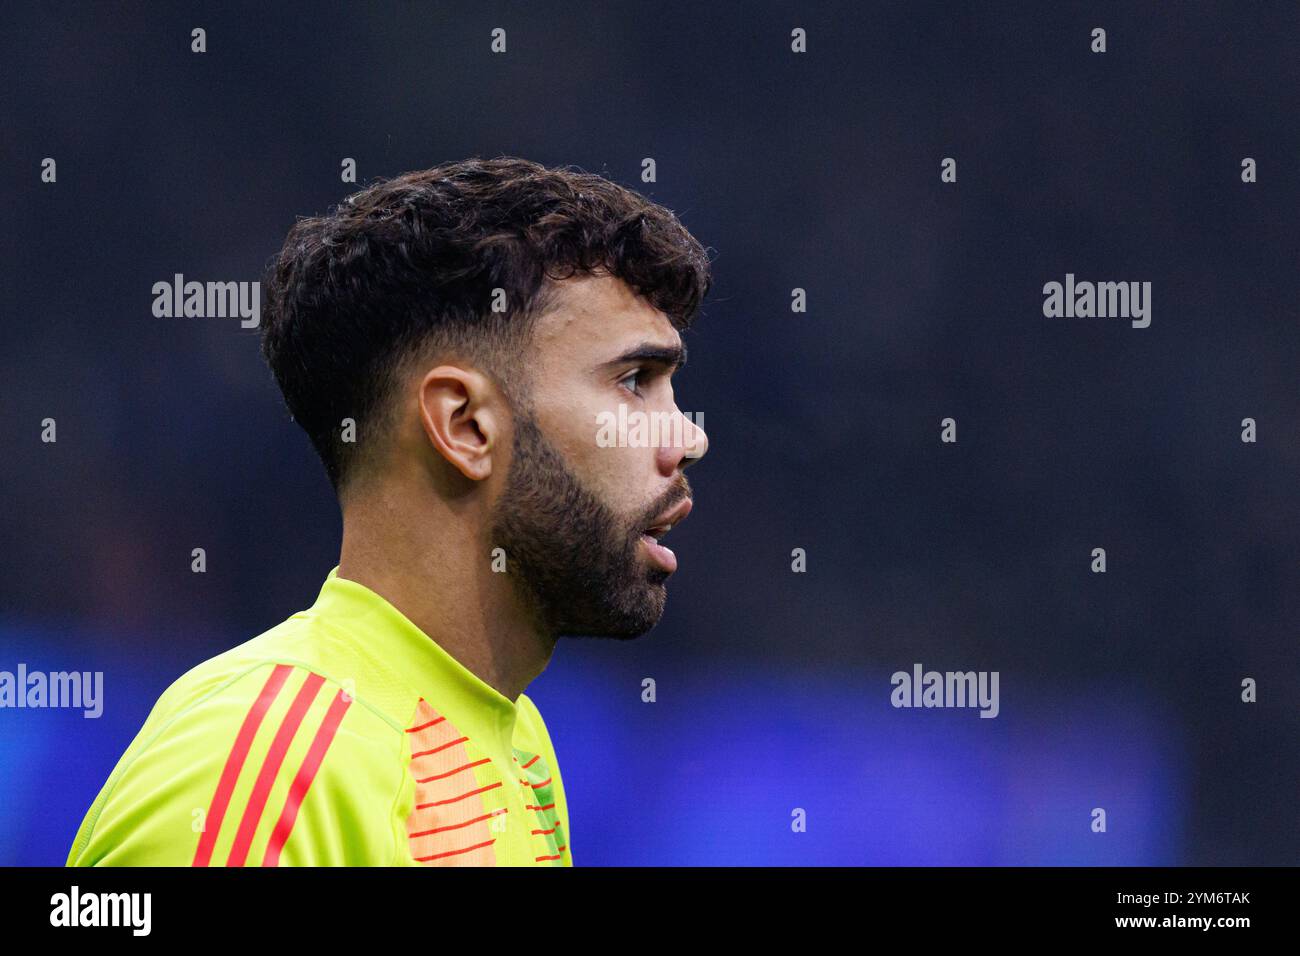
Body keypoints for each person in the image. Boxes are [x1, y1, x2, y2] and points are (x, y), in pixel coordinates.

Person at [66, 156, 711, 866]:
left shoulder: (519, 740)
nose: (689, 438)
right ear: (464, 426)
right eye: (633, 381)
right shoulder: (263, 767)